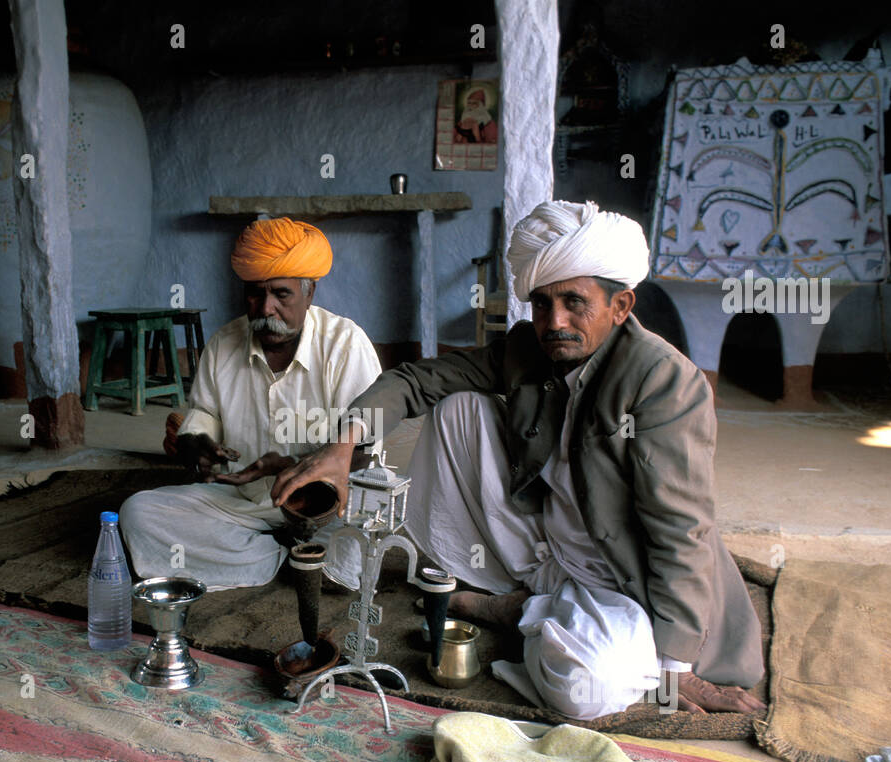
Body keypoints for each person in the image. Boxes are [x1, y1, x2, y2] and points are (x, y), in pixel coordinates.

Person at [273, 199, 766, 719]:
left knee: (585, 693)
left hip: (627, 582)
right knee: (458, 409)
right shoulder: (531, 348)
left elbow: (680, 530)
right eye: (541, 303)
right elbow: (417, 380)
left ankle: (516, 610)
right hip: (545, 546)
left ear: (620, 307)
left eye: (575, 302)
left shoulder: (664, 381)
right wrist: (342, 446)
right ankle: (540, 601)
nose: (554, 322)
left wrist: (673, 668)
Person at [119, 218, 381, 591]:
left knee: (353, 549)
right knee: (139, 514)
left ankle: (278, 558)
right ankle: (279, 557)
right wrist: (195, 442)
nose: (266, 308)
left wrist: (297, 468)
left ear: (310, 293)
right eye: (256, 294)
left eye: (282, 294)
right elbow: (204, 413)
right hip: (243, 502)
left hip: (327, 508)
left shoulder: (345, 345)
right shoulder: (224, 343)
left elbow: (365, 450)